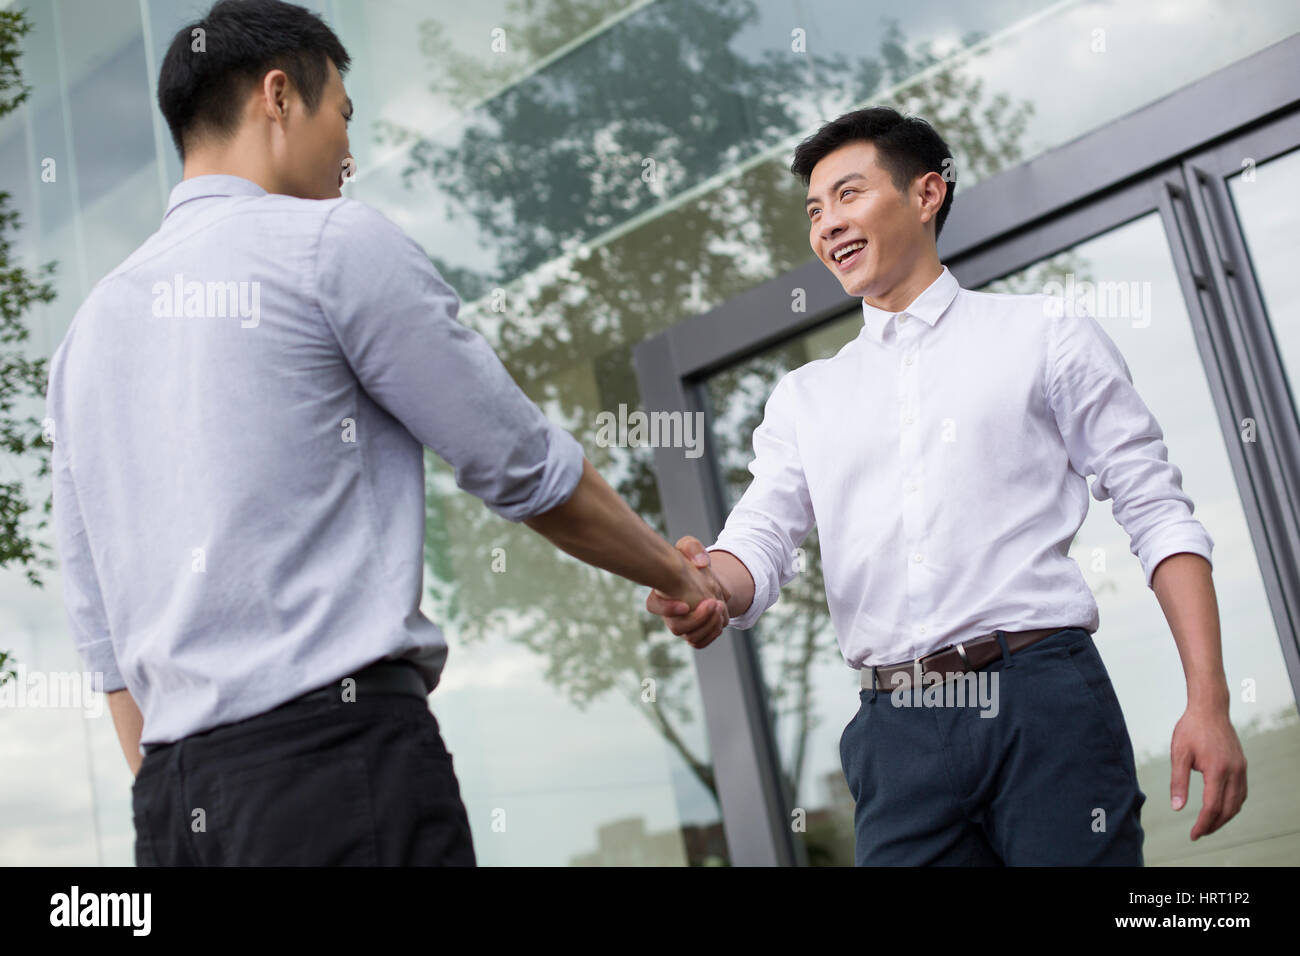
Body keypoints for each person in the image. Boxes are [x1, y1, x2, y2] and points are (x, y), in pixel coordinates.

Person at [45, 0, 728, 866]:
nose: (349, 154)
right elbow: (521, 466)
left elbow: (104, 642)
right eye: (343, 116)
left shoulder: (83, 342)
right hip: (335, 766)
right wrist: (679, 575)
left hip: (174, 808)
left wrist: (179, 802)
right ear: (279, 96)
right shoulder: (330, 243)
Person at [646, 106, 1247, 866]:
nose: (828, 224)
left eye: (849, 194)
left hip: (1041, 704)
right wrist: (707, 586)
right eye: (815, 210)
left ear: (927, 194)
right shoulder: (805, 399)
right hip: (895, 737)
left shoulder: (1045, 334)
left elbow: (1156, 511)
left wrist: (1208, 700)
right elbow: (759, 541)